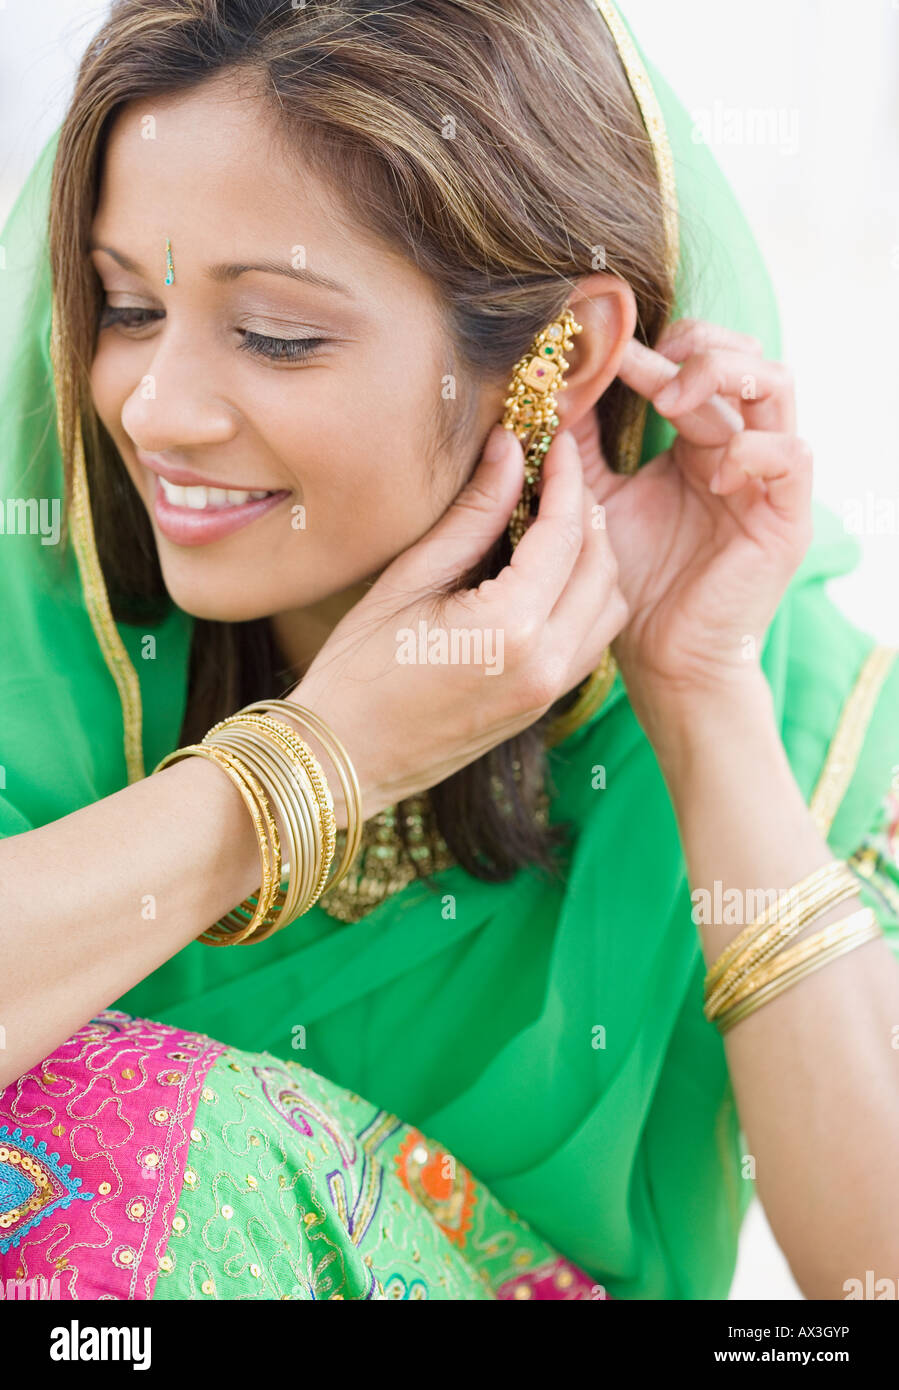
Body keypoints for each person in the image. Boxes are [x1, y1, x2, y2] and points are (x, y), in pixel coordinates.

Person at [1, 0, 897, 1302]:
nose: (155, 406)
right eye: (128, 306)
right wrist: (325, 759)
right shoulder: (53, 634)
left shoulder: (788, 689)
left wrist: (703, 693)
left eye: (275, 335)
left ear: (559, 354)